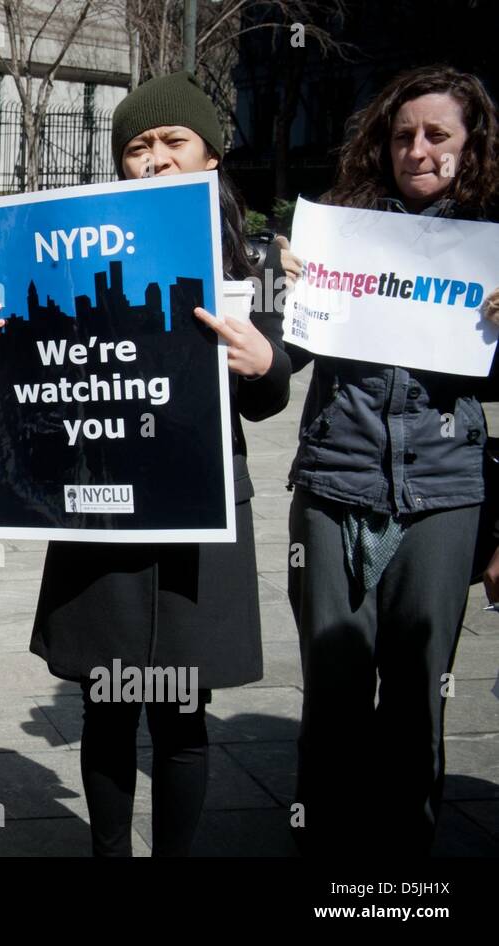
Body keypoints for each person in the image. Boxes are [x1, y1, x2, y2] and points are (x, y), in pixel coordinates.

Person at [0, 72, 297, 856]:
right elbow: (44, 372)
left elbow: (269, 398)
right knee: (106, 704)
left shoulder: (258, 259)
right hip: (100, 509)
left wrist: (263, 362)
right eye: (137, 148)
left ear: (210, 156)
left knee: (182, 713)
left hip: (200, 514)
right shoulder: (80, 246)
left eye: (173, 141)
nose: (155, 159)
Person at [285, 65, 499, 856]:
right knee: (334, 697)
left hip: (444, 493)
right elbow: (281, 363)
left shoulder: (492, 244)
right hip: (335, 485)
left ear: (470, 146)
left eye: (437, 135)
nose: (417, 149)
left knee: (418, 699)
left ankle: (400, 876)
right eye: (403, 134)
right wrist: (288, 294)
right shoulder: (340, 235)